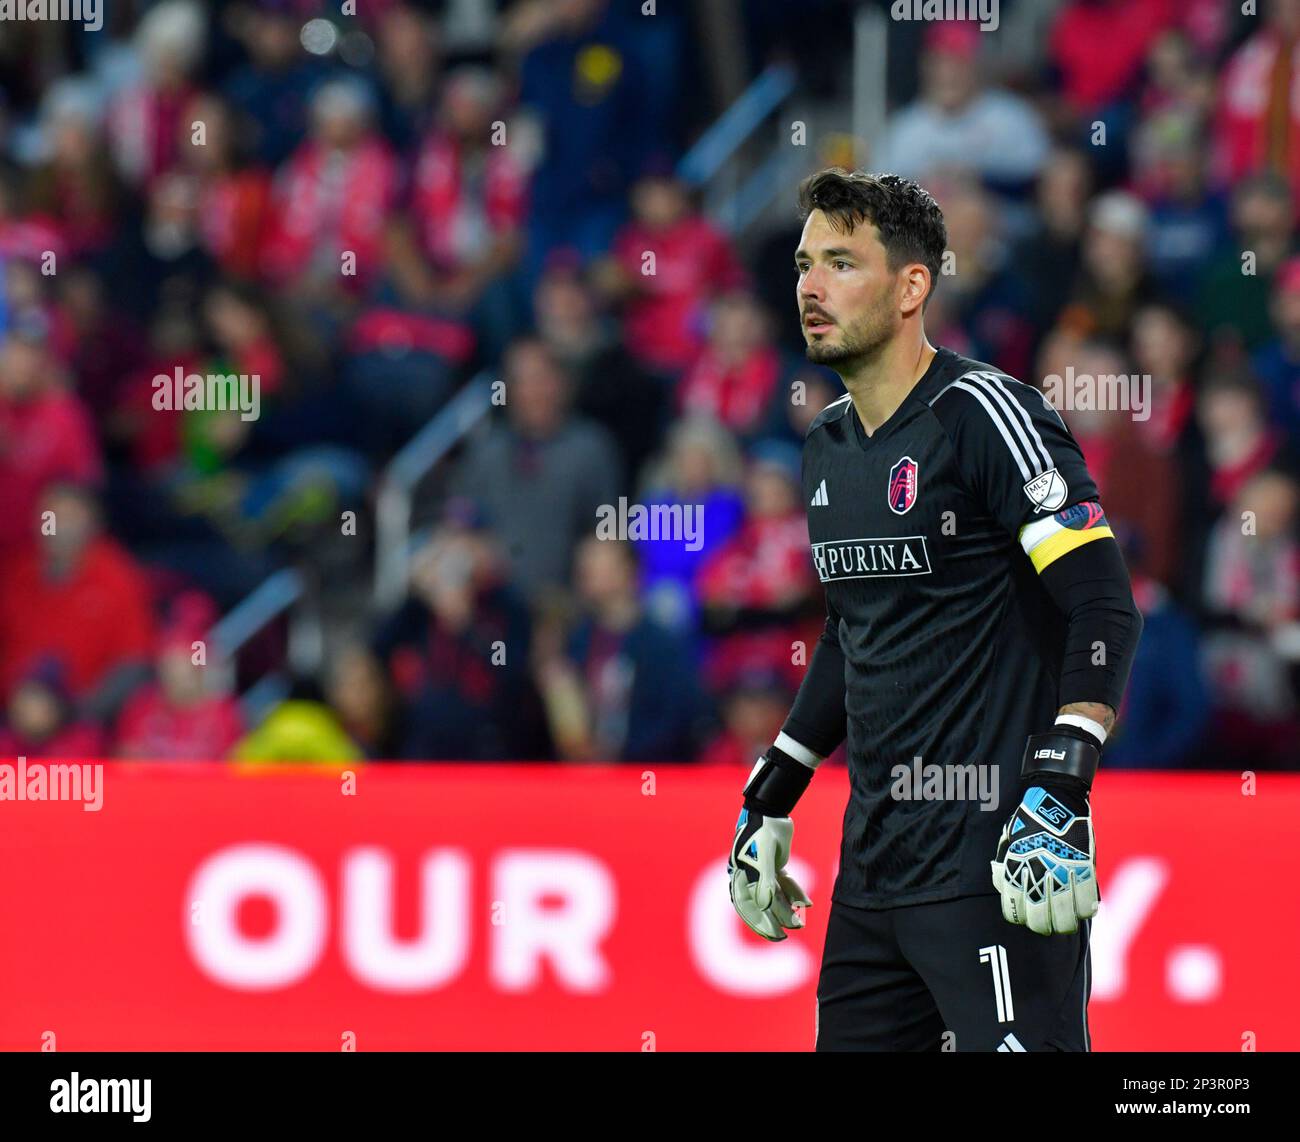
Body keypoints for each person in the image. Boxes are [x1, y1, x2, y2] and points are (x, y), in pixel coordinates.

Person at [727, 169, 1143, 1052]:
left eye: (841, 262)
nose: (809, 286)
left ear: (913, 285)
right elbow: (855, 631)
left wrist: (1062, 787)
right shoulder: (826, 445)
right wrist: (774, 790)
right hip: (872, 882)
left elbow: (1102, 602)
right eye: (805, 263)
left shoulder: (987, 415)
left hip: (1000, 864)